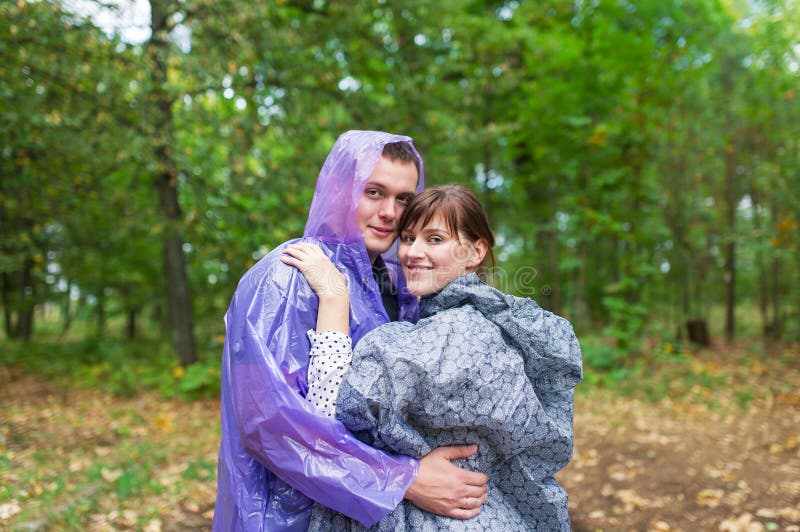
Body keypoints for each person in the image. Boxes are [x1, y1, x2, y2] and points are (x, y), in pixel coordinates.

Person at [213, 132, 489, 531]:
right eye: (373, 192)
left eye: (404, 199)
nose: (390, 212)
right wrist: (404, 479)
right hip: (287, 518)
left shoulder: (399, 286)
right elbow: (268, 425)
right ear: (340, 190)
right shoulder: (286, 276)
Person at [283, 184, 583, 531]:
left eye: (435, 239)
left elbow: (330, 410)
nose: (413, 252)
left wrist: (335, 297)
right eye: (408, 238)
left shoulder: (453, 335)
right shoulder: (491, 321)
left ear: (476, 251)